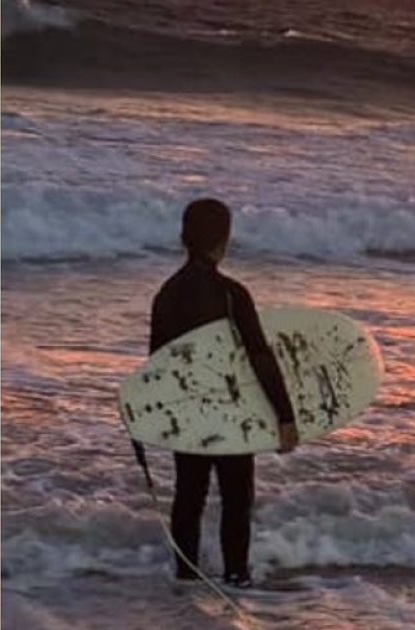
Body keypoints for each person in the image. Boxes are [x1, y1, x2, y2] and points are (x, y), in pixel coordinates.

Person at [148, 198, 298, 588]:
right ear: (224, 240)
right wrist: (284, 416)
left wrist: (159, 421)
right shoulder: (232, 293)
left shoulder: (166, 295)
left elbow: (156, 368)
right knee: (236, 498)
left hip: (190, 413)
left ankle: (186, 576)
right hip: (232, 412)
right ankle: (237, 576)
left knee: (188, 497)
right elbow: (260, 358)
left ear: (185, 238)